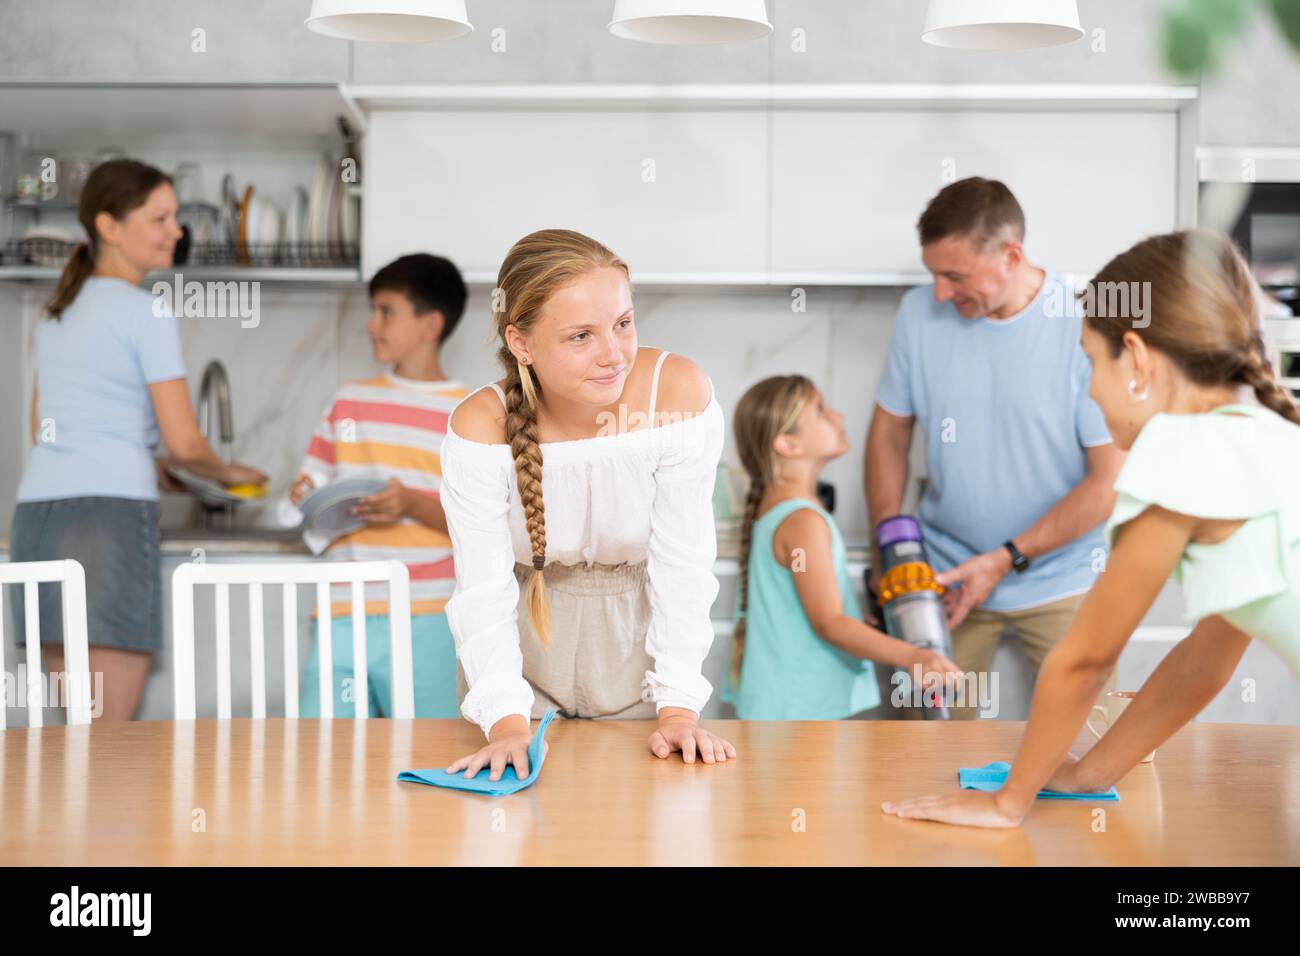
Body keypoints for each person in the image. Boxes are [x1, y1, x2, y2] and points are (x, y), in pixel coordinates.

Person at [882, 229, 1300, 827]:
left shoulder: (1182, 455)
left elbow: (1086, 660)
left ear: (1134, 356)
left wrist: (1008, 802)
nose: (1089, 388)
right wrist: (1087, 774)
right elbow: (1202, 664)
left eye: (1088, 362)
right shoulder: (1261, 439)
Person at [438, 228, 736, 782]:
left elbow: (682, 562)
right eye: (580, 336)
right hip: (517, 650)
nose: (613, 355)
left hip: (638, 651)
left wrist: (676, 708)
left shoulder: (676, 395)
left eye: (623, 324)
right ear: (521, 343)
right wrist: (506, 723)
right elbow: (481, 588)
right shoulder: (480, 427)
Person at [10, 159, 265, 721]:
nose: (176, 230)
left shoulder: (56, 314)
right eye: (160, 217)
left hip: (37, 519)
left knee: (76, 726)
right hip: (108, 521)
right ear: (108, 226)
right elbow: (185, 441)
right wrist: (235, 475)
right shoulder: (145, 310)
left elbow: (46, 429)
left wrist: (152, 466)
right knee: (107, 738)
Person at [865, 177, 1125, 718]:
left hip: (1063, 577)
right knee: (927, 750)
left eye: (954, 275)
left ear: (1012, 256)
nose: (940, 292)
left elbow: (1108, 481)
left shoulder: (1085, 322)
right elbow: (890, 431)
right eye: (933, 274)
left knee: (1094, 748)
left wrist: (1003, 560)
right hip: (943, 580)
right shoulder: (918, 315)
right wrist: (891, 546)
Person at [288, 253, 469, 717]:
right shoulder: (349, 401)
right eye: (372, 311)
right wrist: (304, 494)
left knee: (429, 757)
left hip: (426, 616)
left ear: (431, 324)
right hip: (341, 611)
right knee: (321, 754)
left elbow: (480, 525)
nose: (371, 324)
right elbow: (312, 486)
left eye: (386, 311)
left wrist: (409, 503)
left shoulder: (468, 414)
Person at [724, 375, 962, 719]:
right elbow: (828, 623)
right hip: (802, 712)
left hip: (785, 708)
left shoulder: (781, 511)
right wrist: (914, 656)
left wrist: (855, 623)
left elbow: (813, 611)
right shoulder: (804, 522)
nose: (839, 417)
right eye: (821, 411)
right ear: (787, 444)